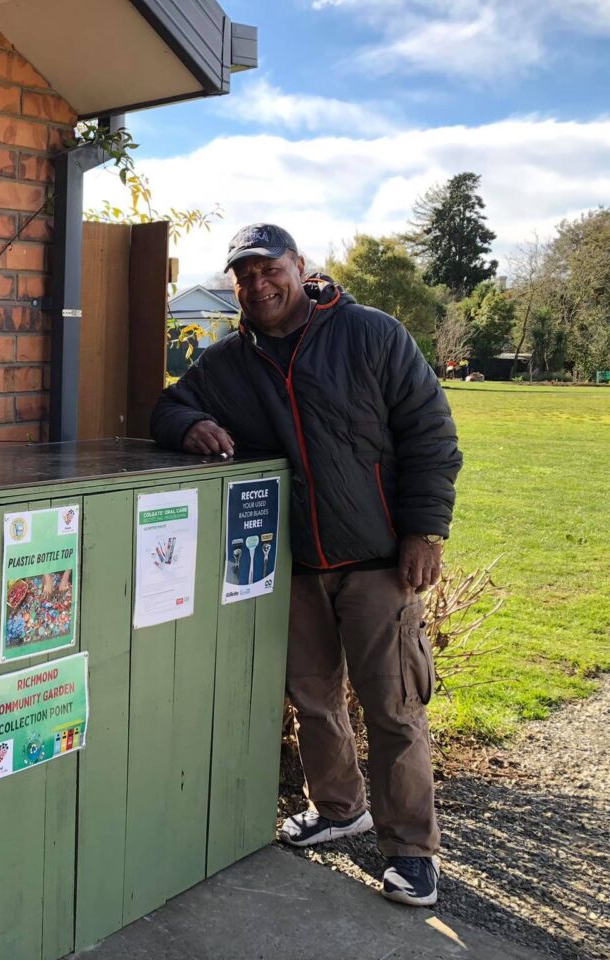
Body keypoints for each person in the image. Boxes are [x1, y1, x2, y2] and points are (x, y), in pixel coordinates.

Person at [151, 224, 462, 907]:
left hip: (380, 559)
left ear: (298, 266)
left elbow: (430, 433)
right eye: (244, 276)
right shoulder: (231, 362)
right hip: (295, 564)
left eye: (269, 269)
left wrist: (425, 531)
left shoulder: (370, 333)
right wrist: (191, 426)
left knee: (393, 707)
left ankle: (411, 849)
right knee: (315, 701)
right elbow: (169, 404)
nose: (257, 284)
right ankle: (340, 809)